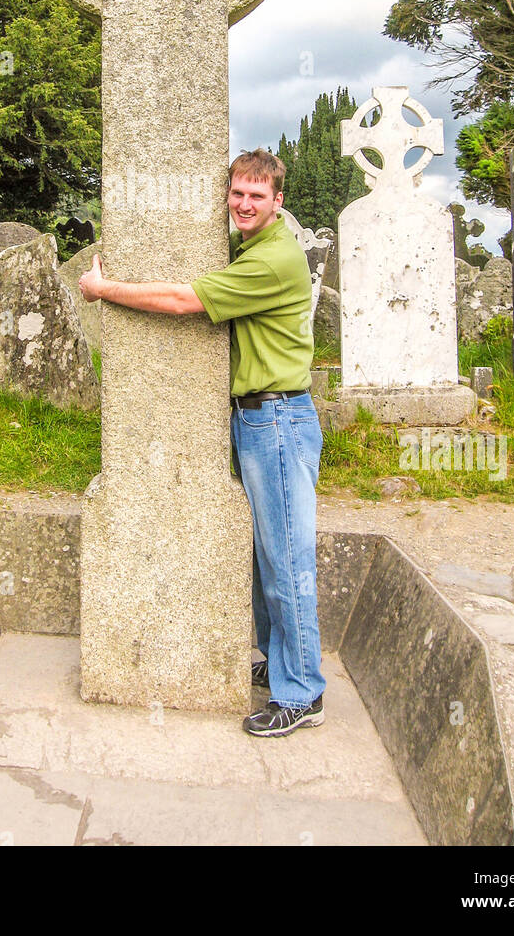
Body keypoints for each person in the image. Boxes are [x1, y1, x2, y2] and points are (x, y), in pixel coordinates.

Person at [78, 147, 326, 737]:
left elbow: (183, 302)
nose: (244, 203)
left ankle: (302, 693)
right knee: (267, 555)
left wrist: (104, 289)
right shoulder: (249, 248)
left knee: (287, 559)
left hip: (280, 420)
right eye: (237, 193)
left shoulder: (274, 259)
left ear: (277, 202)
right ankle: (280, 663)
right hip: (255, 419)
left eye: (257, 196)